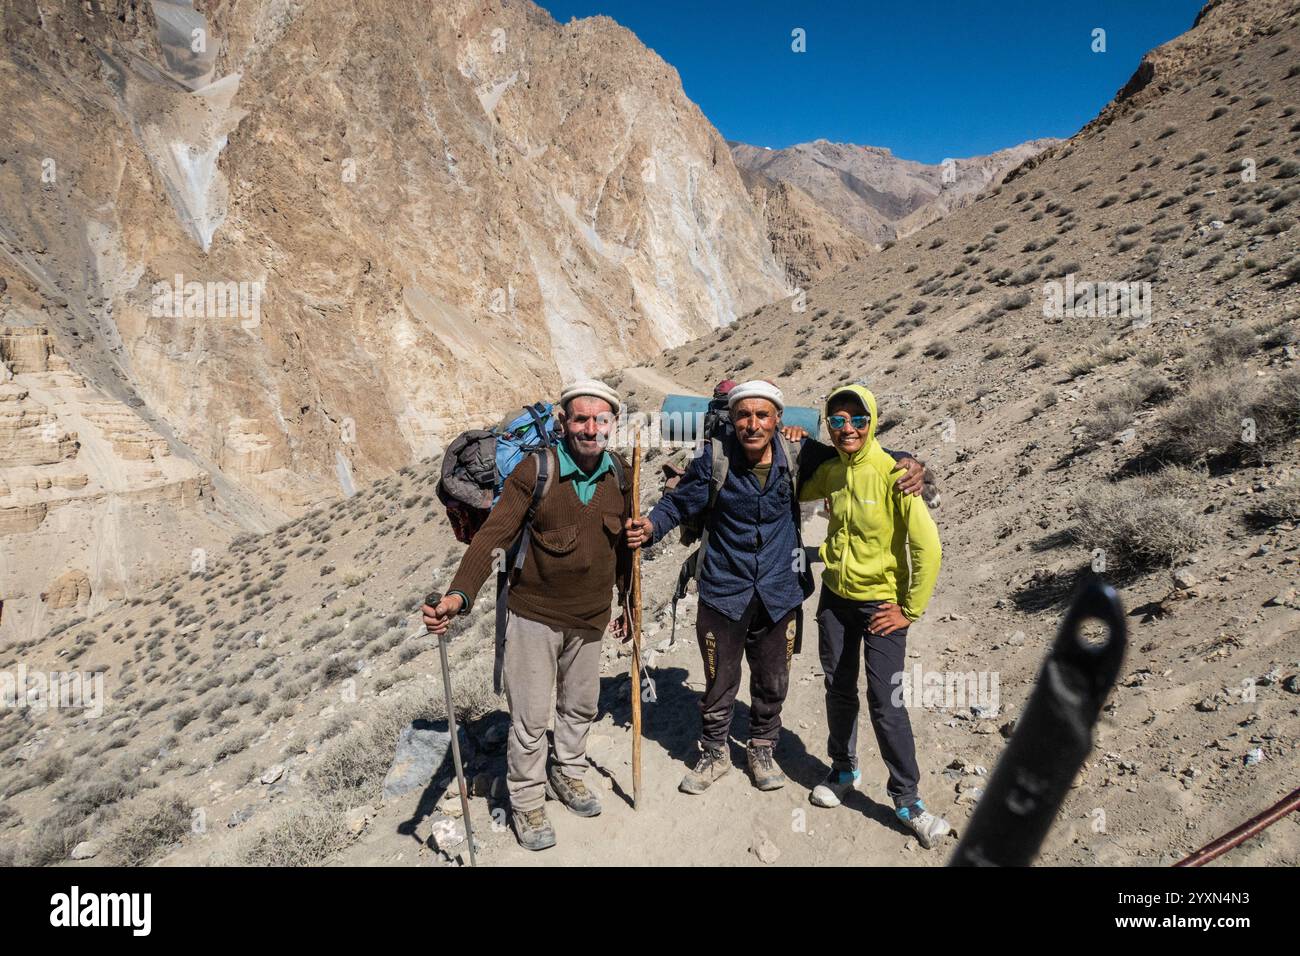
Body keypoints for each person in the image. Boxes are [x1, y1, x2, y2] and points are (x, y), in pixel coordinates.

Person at [626, 380, 927, 796]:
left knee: (773, 678)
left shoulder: (798, 453)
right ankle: (714, 751)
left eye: (762, 415)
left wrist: (908, 461)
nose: (753, 424)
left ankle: (762, 747)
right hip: (723, 587)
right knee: (719, 677)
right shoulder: (714, 457)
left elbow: (858, 454)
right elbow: (679, 504)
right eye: (744, 415)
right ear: (732, 419)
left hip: (779, 588)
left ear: (777, 419)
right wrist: (652, 526)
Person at [422, 379, 632, 852]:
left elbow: (622, 547)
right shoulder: (535, 471)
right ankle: (527, 801)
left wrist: (628, 602)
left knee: (580, 706)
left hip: (591, 617)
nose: (591, 428)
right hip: (534, 615)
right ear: (563, 422)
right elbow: (492, 535)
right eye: (581, 418)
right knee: (531, 719)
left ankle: (570, 773)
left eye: (601, 420)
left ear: (613, 426)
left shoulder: (620, 474)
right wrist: (459, 596)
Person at [793, 383, 951, 848]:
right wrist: (791, 443)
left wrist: (909, 610)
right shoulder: (832, 473)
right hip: (836, 599)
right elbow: (797, 488)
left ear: (872, 421)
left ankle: (908, 799)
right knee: (838, 689)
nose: (847, 429)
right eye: (837, 421)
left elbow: (928, 547)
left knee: (886, 700)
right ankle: (843, 769)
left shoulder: (895, 473)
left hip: (882, 605)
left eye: (857, 420)